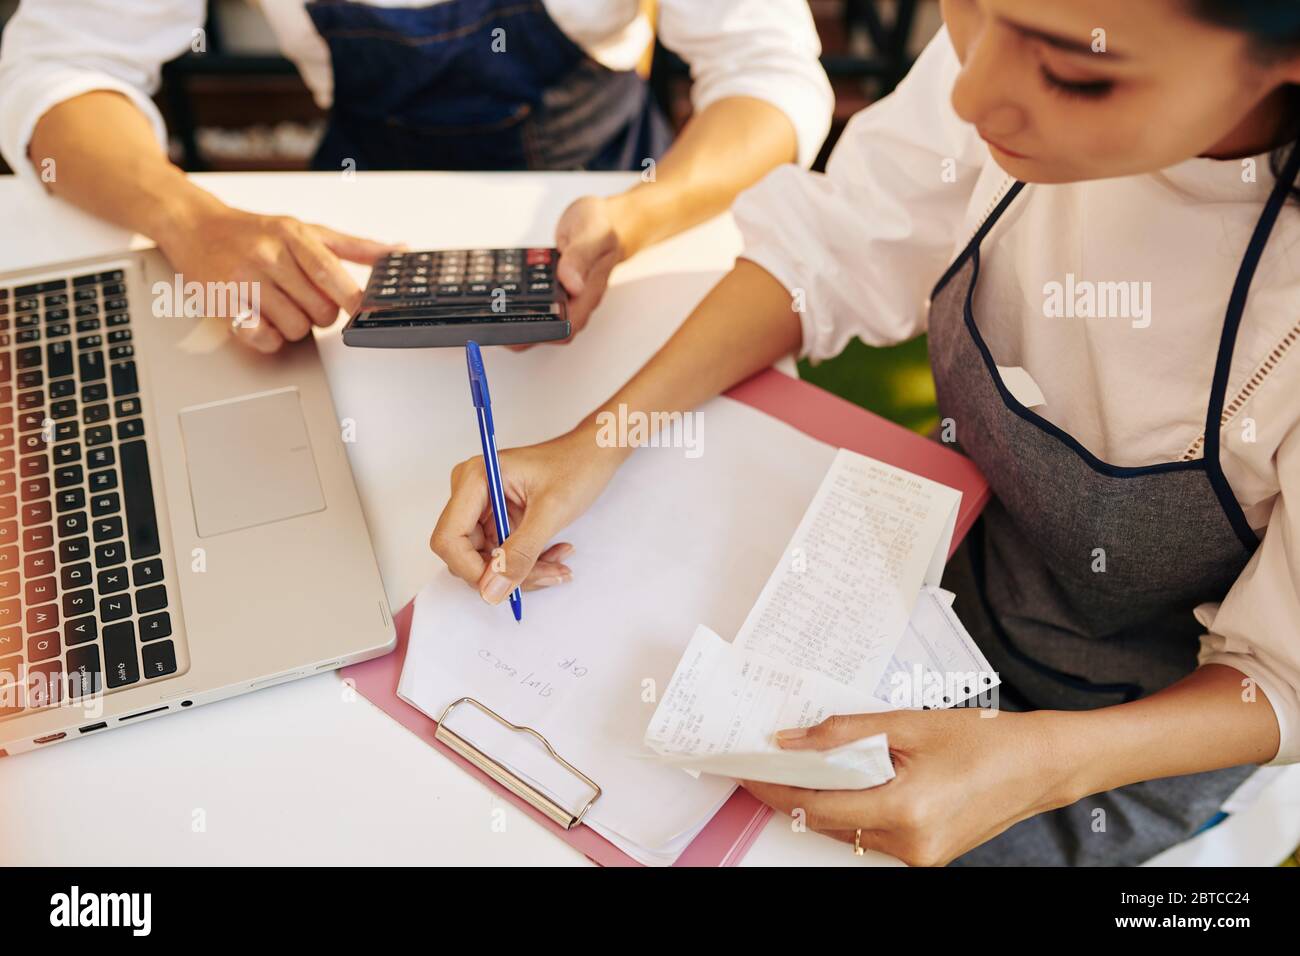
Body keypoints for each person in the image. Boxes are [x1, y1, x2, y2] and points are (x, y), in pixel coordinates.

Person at [428, 0, 1300, 866]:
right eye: (968, 9)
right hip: (926, 603)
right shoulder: (1014, 47)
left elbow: (1282, 676)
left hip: (1150, 738)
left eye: (1077, 72)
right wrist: (599, 438)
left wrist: (1042, 766)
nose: (971, 97)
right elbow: (831, 249)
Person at [0, 0, 831, 352]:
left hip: (619, 205)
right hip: (360, 230)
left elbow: (769, 72)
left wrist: (645, 213)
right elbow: (61, 68)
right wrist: (187, 218)